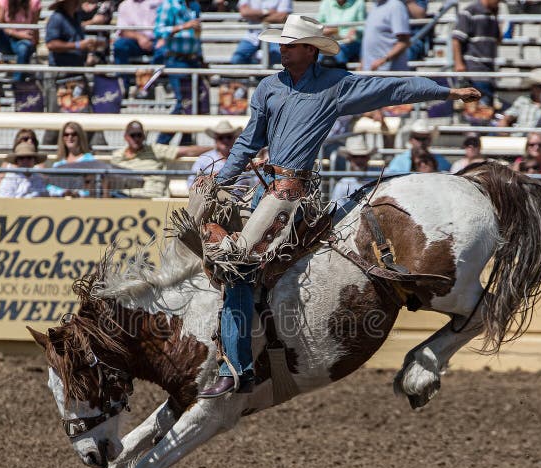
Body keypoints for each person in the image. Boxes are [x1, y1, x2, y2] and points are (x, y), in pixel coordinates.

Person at [198, 14, 480, 397]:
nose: (282, 49)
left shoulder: (336, 85)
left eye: (290, 44)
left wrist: (446, 93)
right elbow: (249, 141)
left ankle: (236, 367)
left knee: (238, 263)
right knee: (213, 249)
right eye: (281, 43)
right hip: (266, 188)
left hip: (294, 192)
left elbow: (394, 90)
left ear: (310, 50)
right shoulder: (268, 88)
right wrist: (222, 182)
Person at [44, 0, 105, 144]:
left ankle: (95, 146)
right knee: (56, 118)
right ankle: (48, 150)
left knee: (87, 114)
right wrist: (78, 45)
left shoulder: (75, 18)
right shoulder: (57, 18)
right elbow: (51, 44)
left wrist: (87, 48)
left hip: (76, 73)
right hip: (61, 75)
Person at [111, 120, 209, 197]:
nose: (136, 139)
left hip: (152, 197)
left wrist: (217, 148)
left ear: (143, 137)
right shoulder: (117, 156)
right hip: (124, 197)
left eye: (139, 135)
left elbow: (188, 151)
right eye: (133, 135)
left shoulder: (155, 149)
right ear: (126, 137)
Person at [154, 0, 204, 145]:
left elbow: (197, 36)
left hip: (193, 60)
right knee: (183, 103)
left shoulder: (194, 5)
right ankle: (161, 143)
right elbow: (158, 31)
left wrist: (201, 58)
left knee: (192, 104)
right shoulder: (168, 5)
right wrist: (184, 26)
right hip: (176, 59)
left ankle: (186, 143)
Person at [452, 0, 500, 107]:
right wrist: (458, 63)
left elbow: (498, 40)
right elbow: (456, 39)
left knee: (485, 110)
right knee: (477, 110)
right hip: (474, 70)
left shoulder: (492, 14)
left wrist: (496, 17)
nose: (499, 2)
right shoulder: (469, 11)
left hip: (489, 71)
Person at [0, 0, 42, 82]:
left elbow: (34, 25)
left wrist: (35, 43)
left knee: (23, 48)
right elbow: (0, 23)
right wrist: (16, 33)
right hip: (6, 39)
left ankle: (17, 82)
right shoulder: (4, 1)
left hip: (23, 41)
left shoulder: (34, 2)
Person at [230, 0, 292, 66]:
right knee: (237, 59)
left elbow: (281, 16)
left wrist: (256, 16)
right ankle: (257, 71)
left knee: (277, 56)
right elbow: (244, 12)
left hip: (274, 35)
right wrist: (267, 12)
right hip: (252, 36)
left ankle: (260, 72)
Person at [187, 120, 242, 188]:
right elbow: (191, 183)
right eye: (221, 137)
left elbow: (253, 180)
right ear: (216, 139)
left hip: (240, 198)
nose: (225, 140)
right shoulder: (204, 158)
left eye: (229, 137)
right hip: (209, 197)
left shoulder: (241, 157)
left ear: (234, 138)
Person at [47, 121, 97, 196]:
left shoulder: (90, 160)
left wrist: (78, 194)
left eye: (74, 134)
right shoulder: (58, 164)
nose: (70, 137)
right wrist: (62, 193)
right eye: (66, 134)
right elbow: (50, 187)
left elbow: (93, 187)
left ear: (80, 137)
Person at [361, 0, 411, 72]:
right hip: (371, 72)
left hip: (389, 74)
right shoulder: (375, 7)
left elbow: (404, 41)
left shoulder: (396, 6)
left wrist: (384, 60)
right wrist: (362, 65)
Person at [385, 118, 451, 173]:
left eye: (424, 138)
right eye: (417, 138)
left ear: (430, 140)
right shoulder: (399, 161)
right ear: (410, 140)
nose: (421, 142)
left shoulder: (440, 160)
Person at [111, 0, 164, 67]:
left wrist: (163, 38)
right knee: (120, 45)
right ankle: (123, 76)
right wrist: (139, 37)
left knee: (165, 48)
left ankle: (152, 75)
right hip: (135, 41)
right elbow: (122, 31)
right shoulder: (125, 5)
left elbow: (168, 24)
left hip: (158, 39)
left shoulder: (160, 2)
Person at [317, 0, 365, 66]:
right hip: (330, 42)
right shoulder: (326, 2)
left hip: (351, 43)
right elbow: (317, 26)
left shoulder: (359, 2)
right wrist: (325, 30)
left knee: (338, 51)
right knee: (317, 52)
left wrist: (355, 29)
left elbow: (364, 26)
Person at [330, 134, 375, 201]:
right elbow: (337, 209)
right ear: (349, 158)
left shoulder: (377, 179)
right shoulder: (343, 184)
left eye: (363, 156)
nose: (359, 160)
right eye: (355, 156)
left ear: (368, 158)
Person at [80, 1, 115, 66]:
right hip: (80, 41)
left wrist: (81, 24)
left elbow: (99, 20)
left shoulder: (105, 4)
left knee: (90, 60)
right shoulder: (77, 4)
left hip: (99, 43)